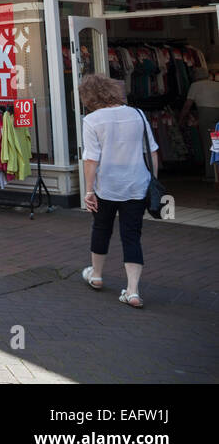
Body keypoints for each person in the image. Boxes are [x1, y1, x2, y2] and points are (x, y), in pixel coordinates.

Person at [79, 73, 157, 309]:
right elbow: (152, 151)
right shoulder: (137, 114)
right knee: (131, 235)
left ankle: (97, 275)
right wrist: (153, 182)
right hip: (137, 184)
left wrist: (89, 190)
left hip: (107, 186)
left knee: (101, 227)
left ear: (89, 97)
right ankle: (133, 290)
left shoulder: (92, 120)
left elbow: (91, 159)